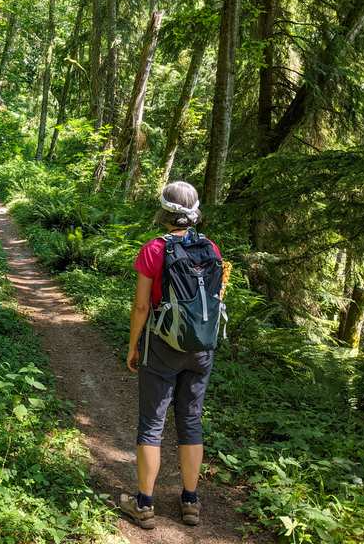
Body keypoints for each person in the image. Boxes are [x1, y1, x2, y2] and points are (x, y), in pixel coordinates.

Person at [120, 181, 223, 529]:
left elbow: (140, 306)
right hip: (201, 349)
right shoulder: (211, 249)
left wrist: (134, 345)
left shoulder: (154, 249)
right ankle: (191, 501)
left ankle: (144, 505)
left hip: (162, 345)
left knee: (152, 424)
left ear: (164, 211)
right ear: (194, 212)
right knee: (191, 421)